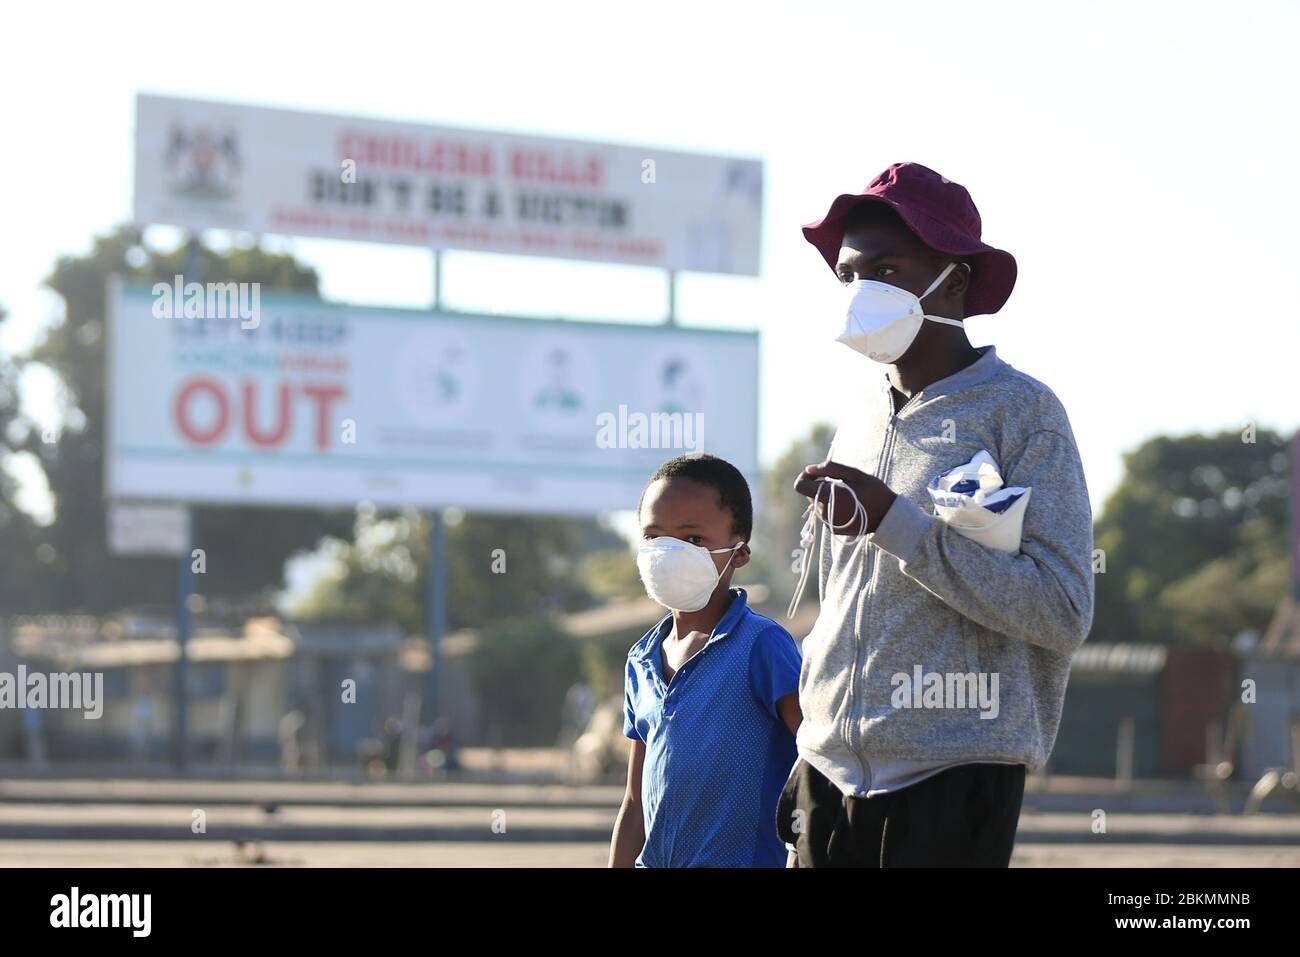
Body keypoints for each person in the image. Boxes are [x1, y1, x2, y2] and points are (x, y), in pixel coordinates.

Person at [779, 162, 1094, 867]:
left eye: (886, 270)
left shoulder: (1024, 415)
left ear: (953, 280)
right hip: (826, 770)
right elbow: (841, 604)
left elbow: (1062, 610)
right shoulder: (857, 420)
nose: (862, 292)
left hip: (951, 778)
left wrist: (899, 523)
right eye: (849, 275)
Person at [609, 453, 803, 867]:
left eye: (693, 539)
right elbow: (633, 803)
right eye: (654, 537)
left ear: (740, 552)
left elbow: (818, 761)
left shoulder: (762, 645)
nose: (668, 553)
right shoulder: (641, 661)